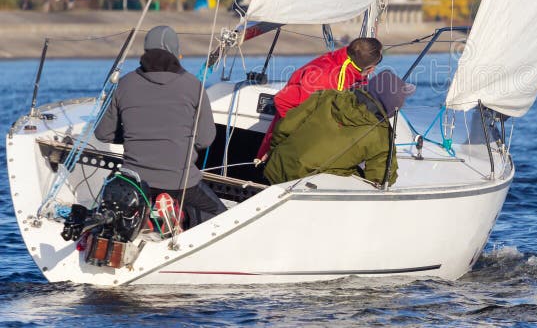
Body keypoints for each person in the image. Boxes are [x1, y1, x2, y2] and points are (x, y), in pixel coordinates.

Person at [95, 25, 226, 228]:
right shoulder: (193, 86)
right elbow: (205, 139)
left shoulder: (124, 84)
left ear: (146, 51)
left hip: (136, 182)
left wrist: (132, 135)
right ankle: (178, 215)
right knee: (218, 215)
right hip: (181, 183)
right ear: (176, 54)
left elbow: (102, 133)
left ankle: (148, 216)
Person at [263, 70, 415, 187]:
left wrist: (275, 152)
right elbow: (381, 179)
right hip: (303, 190)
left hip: (276, 169)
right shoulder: (381, 136)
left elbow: (284, 127)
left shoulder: (328, 96)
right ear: (394, 105)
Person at [255, 37, 383, 162]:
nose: (374, 70)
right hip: (292, 150)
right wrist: (308, 134)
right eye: (373, 65)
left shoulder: (351, 71)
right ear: (367, 67)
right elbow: (283, 100)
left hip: (321, 148)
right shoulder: (323, 76)